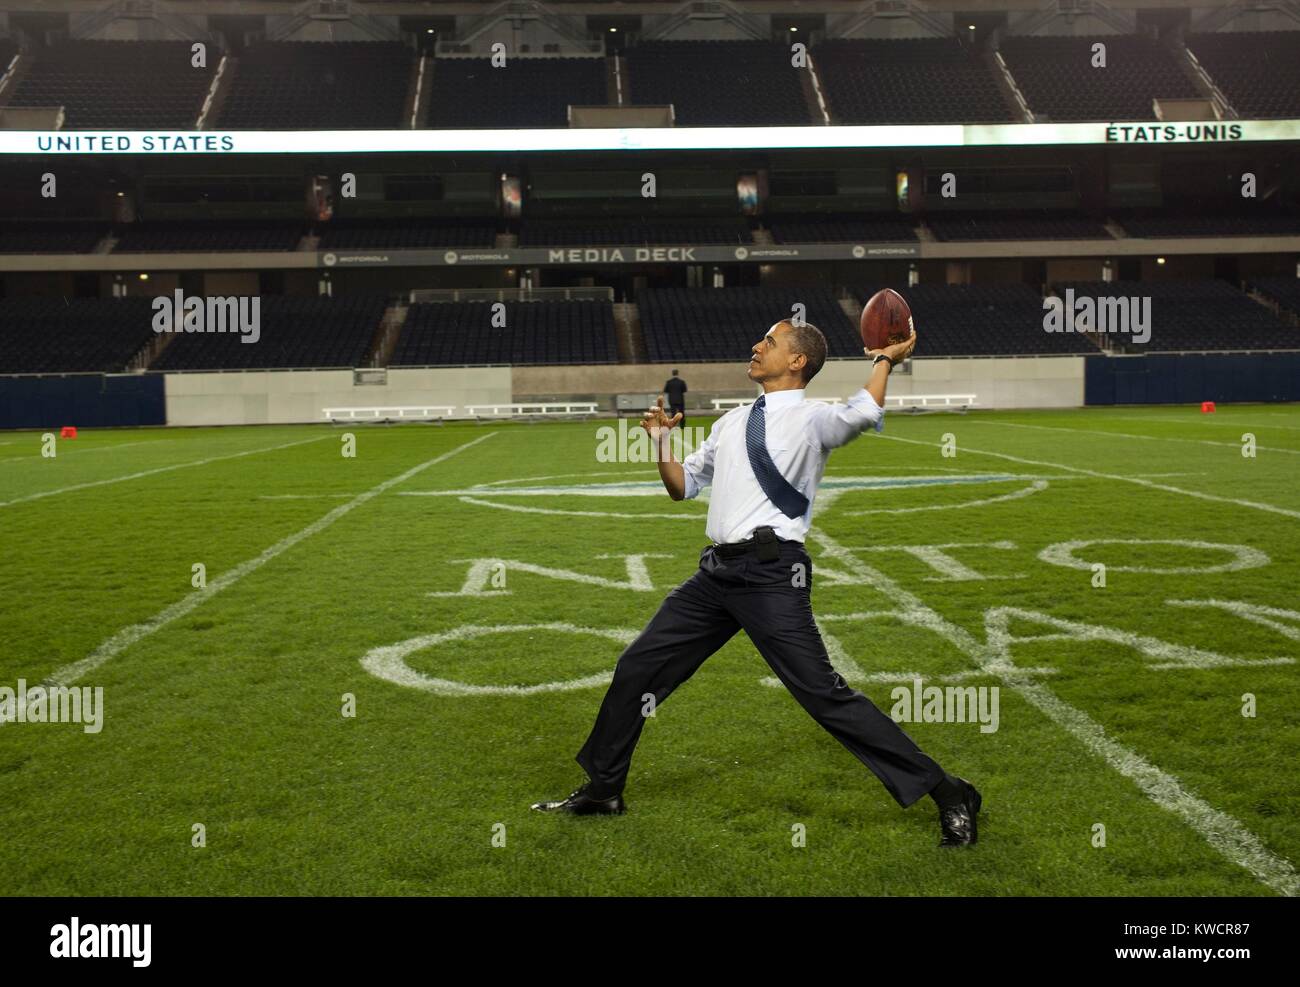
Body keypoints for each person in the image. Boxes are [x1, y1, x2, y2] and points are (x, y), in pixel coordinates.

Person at [532, 318, 982, 847]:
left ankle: (949, 792)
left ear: (797, 361)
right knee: (639, 667)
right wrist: (661, 443)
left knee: (822, 695)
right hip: (716, 573)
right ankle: (604, 788)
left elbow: (864, 411)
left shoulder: (814, 420)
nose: (755, 345)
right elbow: (683, 488)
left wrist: (885, 359)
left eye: (768, 342)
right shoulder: (731, 421)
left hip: (771, 574)